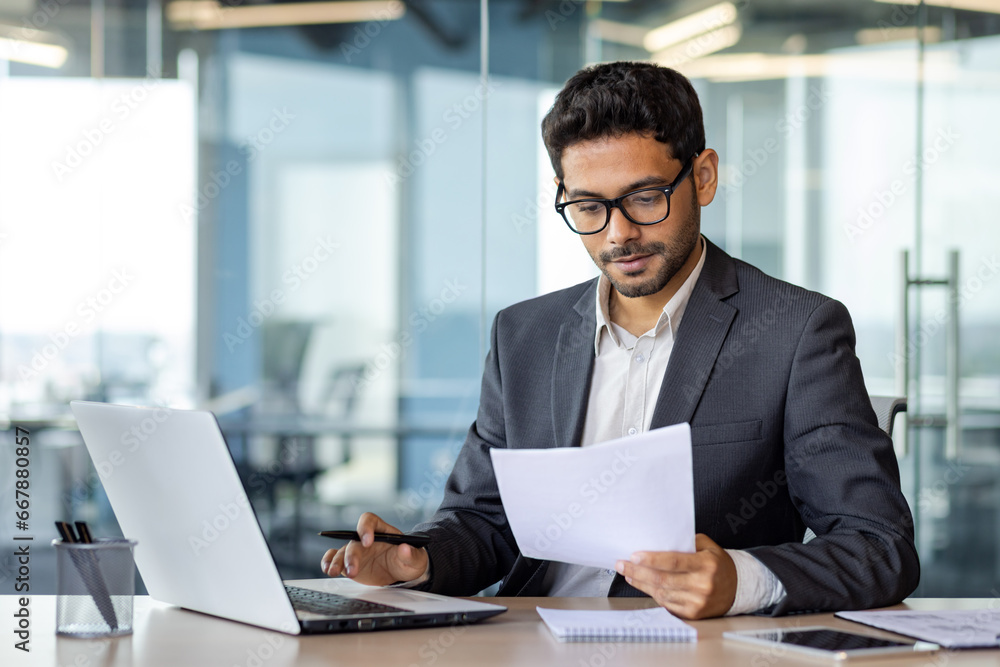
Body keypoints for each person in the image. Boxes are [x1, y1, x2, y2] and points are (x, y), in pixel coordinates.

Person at [320, 61, 919, 618]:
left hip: (693, 649)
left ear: (703, 177)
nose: (620, 233)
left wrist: (740, 579)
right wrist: (416, 559)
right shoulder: (524, 335)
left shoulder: (794, 331)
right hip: (529, 638)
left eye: (644, 197)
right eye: (588, 206)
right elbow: (485, 523)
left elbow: (879, 547)